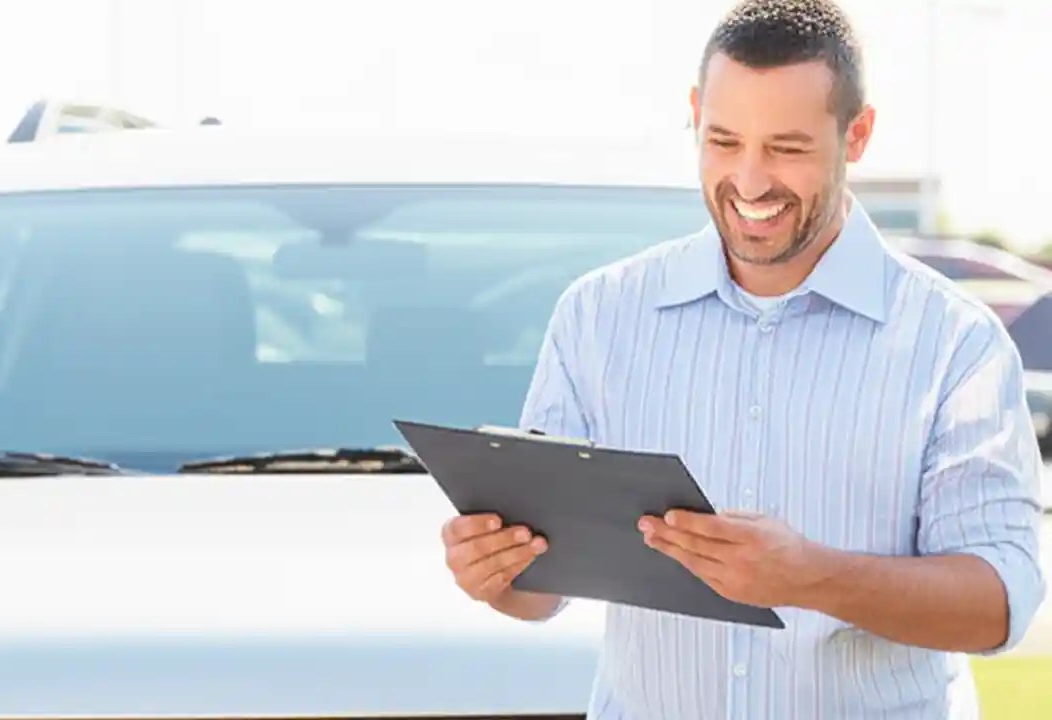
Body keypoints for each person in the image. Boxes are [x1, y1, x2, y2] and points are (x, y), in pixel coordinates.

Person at [439, 0, 1046, 717]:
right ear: (695, 113)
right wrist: (498, 574)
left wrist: (813, 578)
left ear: (858, 135)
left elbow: (999, 605)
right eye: (724, 140)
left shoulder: (955, 343)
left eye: (786, 148)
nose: (751, 182)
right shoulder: (598, 316)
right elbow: (543, 592)